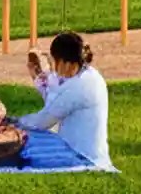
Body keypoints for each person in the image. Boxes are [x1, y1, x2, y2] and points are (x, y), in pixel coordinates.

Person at [18, 32, 112, 169]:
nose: (54, 67)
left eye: (55, 62)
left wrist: (14, 123)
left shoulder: (79, 86)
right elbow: (56, 101)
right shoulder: (89, 75)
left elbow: (43, 121)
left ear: (66, 63)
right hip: (84, 152)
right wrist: (40, 79)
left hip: (81, 157)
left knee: (25, 152)